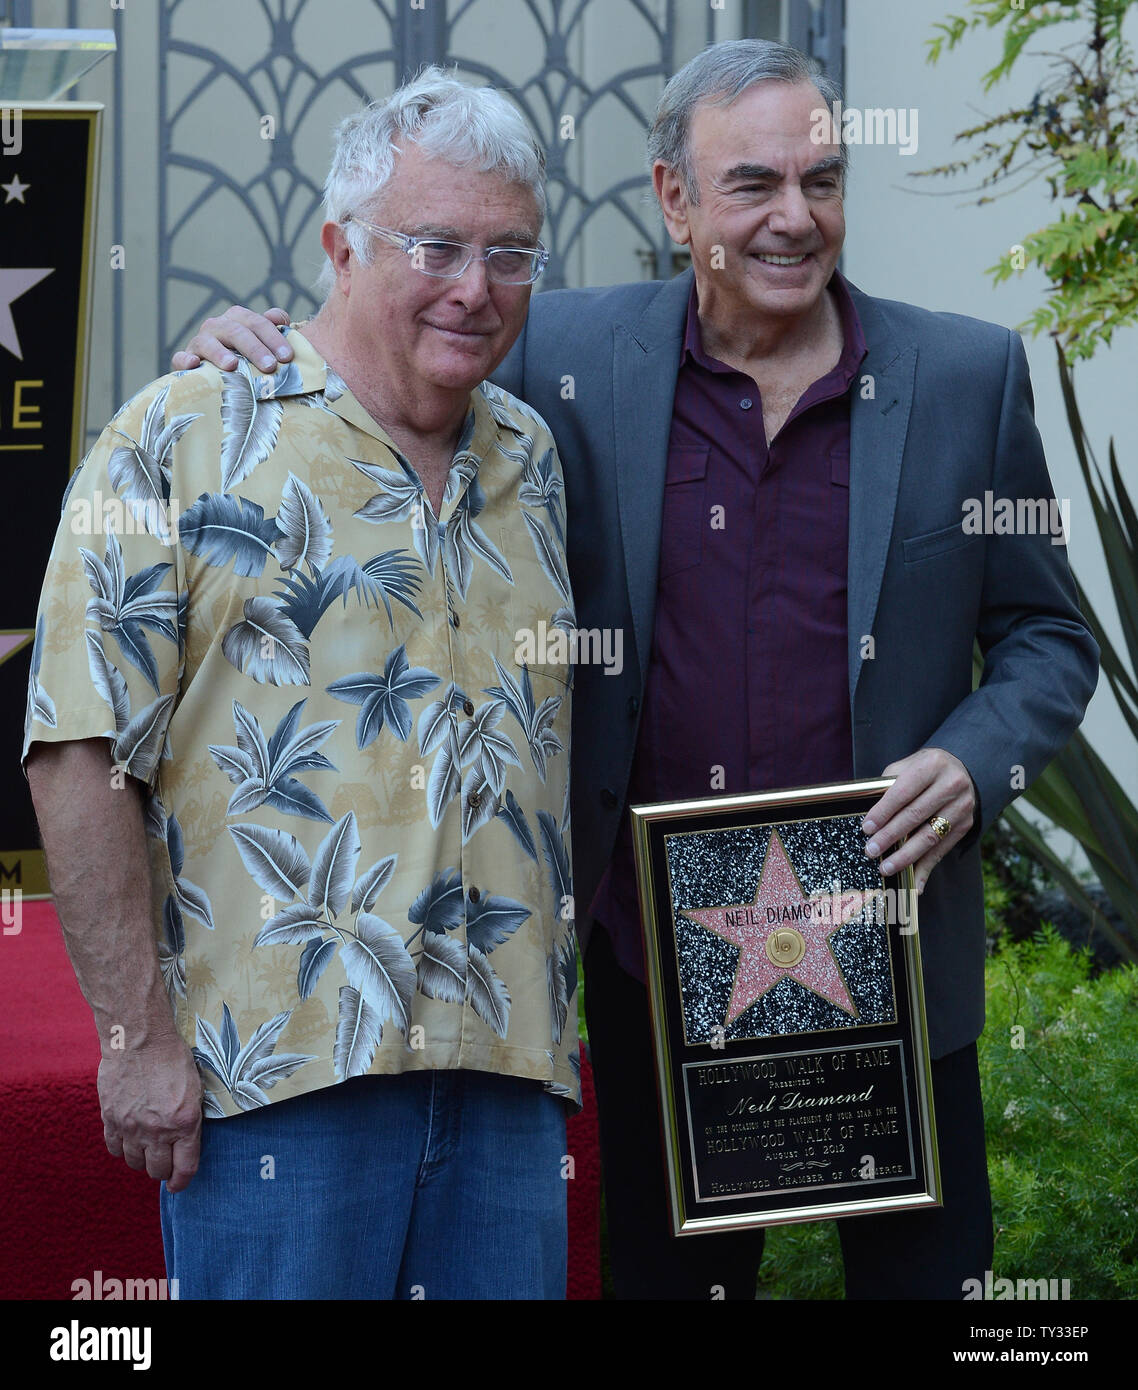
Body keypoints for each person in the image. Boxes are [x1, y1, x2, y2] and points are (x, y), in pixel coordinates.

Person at [177, 40, 1099, 1300]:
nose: (794, 218)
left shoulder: (964, 378)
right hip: (657, 960)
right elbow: (394, 337)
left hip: (884, 942)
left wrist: (975, 757)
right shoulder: (559, 353)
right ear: (674, 200)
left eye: (821, 182)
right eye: (753, 184)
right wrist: (248, 343)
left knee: (929, 1295)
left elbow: (1051, 636)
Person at [24, 69, 580, 1301]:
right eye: (433, 245)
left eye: (510, 255)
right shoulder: (182, 436)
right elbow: (77, 749)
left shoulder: (535, 458)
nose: (473, 288)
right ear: (339, 245)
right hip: (274, 1088)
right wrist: (134, 1042)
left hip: (504, 1075)